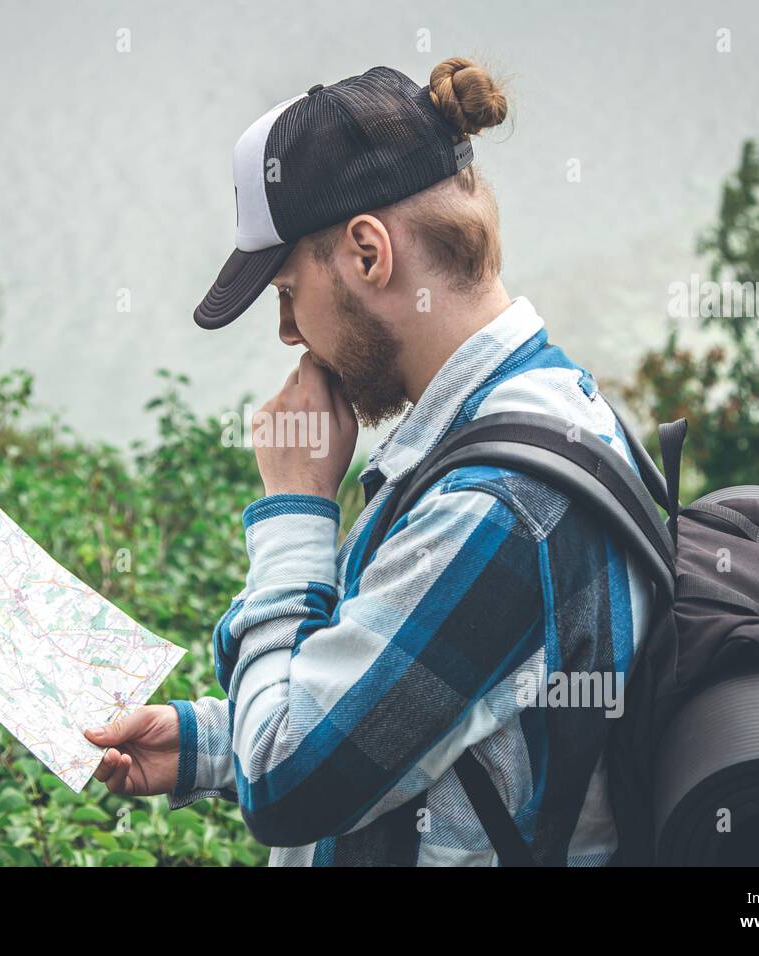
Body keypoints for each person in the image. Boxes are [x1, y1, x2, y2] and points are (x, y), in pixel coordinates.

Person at [84, 56, 655, 865]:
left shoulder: (496, 502)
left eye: (286, 291)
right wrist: (209, 744)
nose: (287, 332)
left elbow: (286, 783)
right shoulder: (554, 404)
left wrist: (295, 509)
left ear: (366, 253)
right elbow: (426, 706)